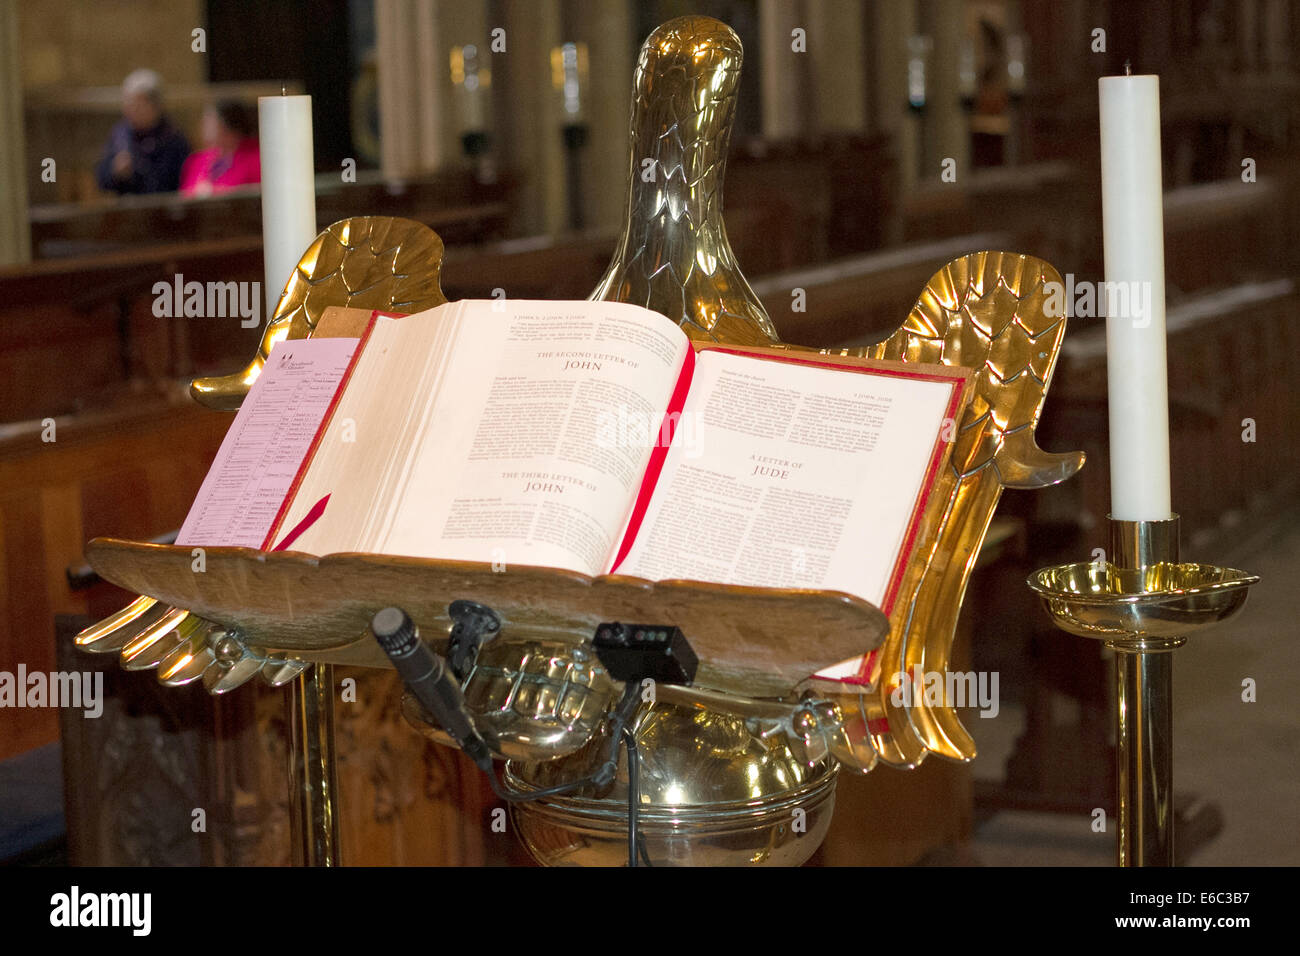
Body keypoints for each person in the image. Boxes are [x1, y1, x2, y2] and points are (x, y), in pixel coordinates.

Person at [95, 69, 190, 195]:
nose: (129, 110)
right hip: (129, 210)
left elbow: (178, 182)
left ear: (155, 106)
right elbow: (102, 179)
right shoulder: (120, 135)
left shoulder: (174, 139)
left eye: (136, 105)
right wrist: (116, 171)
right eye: (127, 104)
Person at [180, 100, 261, 196]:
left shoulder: (255, 158)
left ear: (228, 125)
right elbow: (184, 196)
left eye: (210, 119)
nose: (204, 125)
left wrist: (215, 191)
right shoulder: (196, 160)